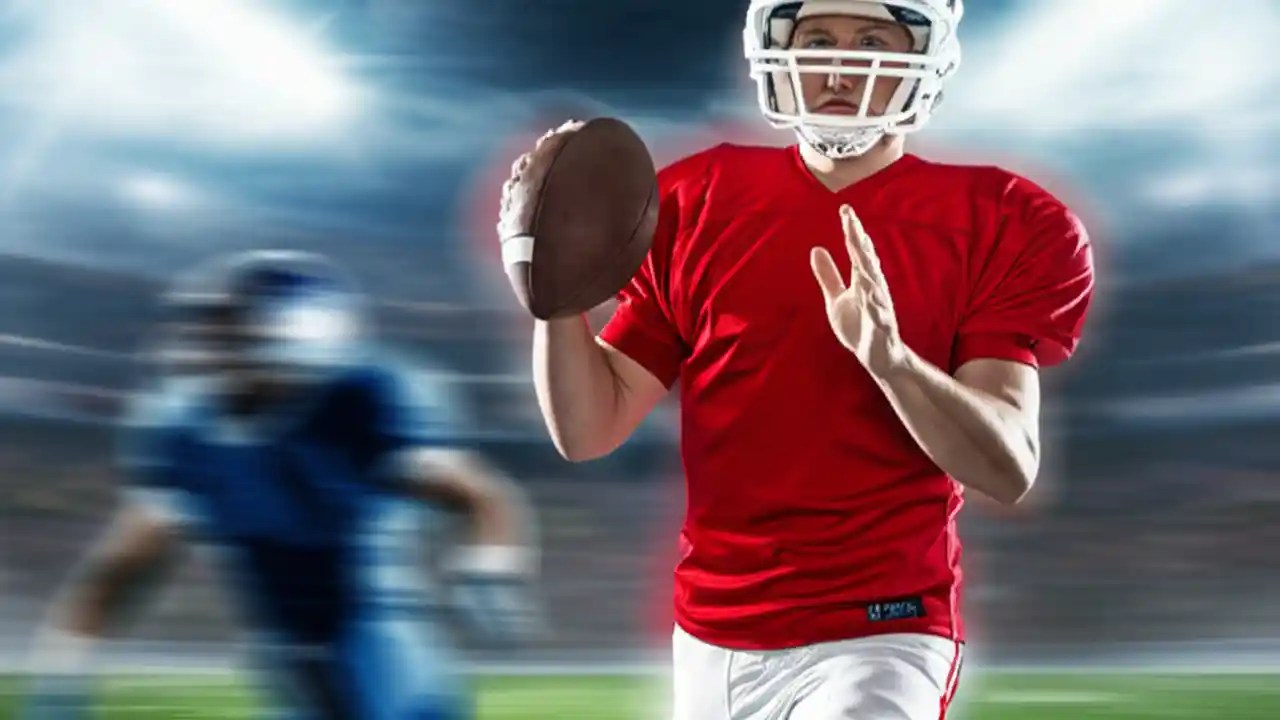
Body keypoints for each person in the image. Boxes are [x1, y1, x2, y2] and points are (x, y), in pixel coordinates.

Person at [498, 1, 1095, 718]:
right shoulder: (696, 200)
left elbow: (1008, 467)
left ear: (923, 58)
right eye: (817, 38)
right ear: (776, 50)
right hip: (711, 632)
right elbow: (589, 428)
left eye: (870, 40)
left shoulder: (1001, 218)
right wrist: (554, 291)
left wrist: (892, 362)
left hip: (882, 625)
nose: (838, 67)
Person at [21, 250, 542, 720]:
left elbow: (477, 493)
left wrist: (489, 566)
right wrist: (69, 656)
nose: (208, 351)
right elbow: (126, 564)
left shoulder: (361, 400)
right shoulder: (185, 428)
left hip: (376, 632)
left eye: (231, 335)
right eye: (208, 333)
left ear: (302, 333)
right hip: (281, 644)